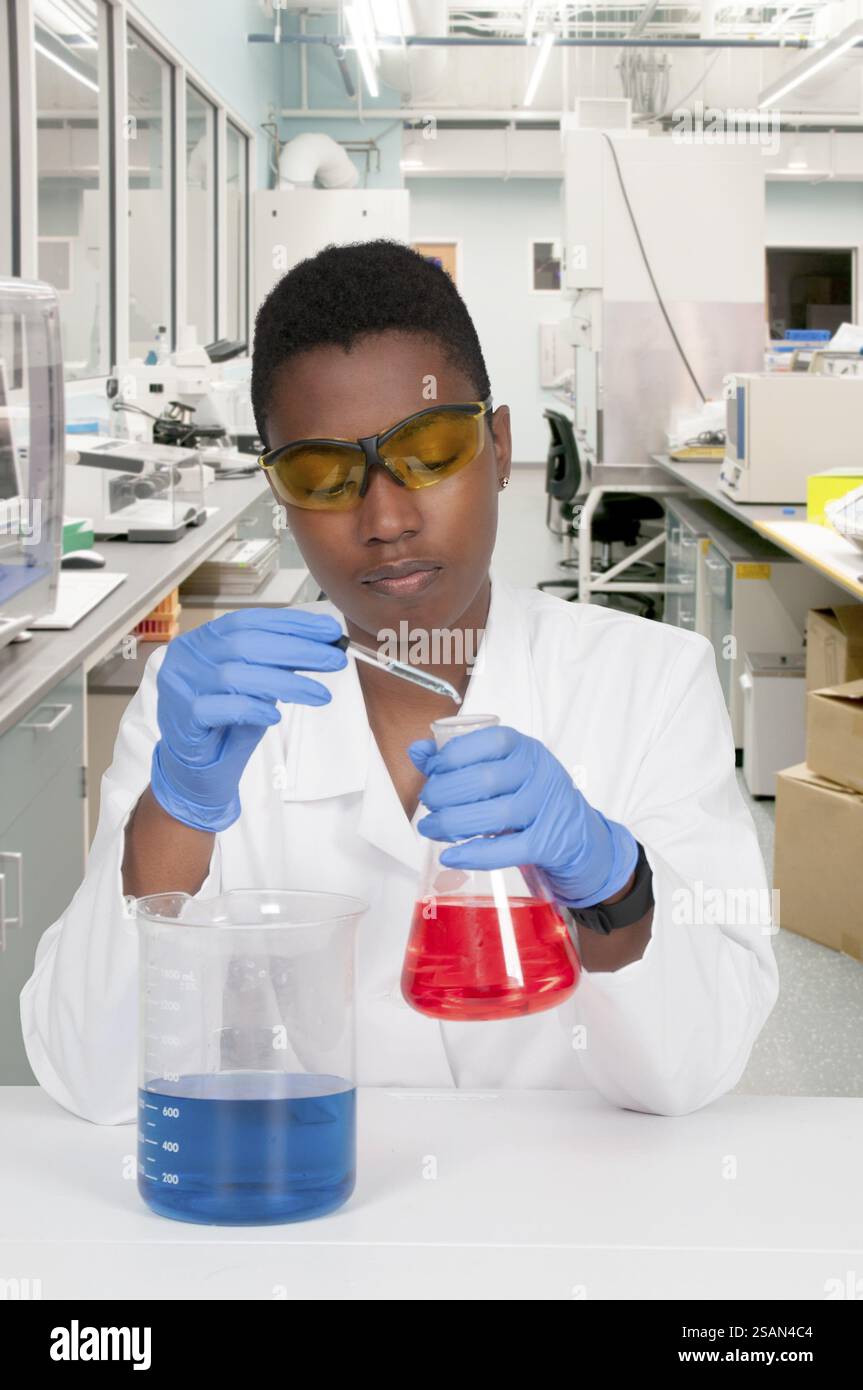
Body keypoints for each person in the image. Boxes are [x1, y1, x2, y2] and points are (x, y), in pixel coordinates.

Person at [20, 240, 778, 1124]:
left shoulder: (647, 683)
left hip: (578, 1221)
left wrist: (609, 883)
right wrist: (177, 815)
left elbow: (698, 1065)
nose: (385, 518)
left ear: (498, 446)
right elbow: (89, 1077)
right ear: (280, 494)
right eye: (323, 475)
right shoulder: (205, 716)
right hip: (308, 1218)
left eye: (430, 451)